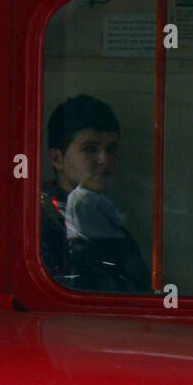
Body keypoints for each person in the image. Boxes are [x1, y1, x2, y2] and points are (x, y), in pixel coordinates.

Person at [40, 94, 152, 293]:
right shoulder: (41, 222)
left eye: (112, 149)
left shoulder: (108, 219)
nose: (105, 160)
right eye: (90, 149)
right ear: (57, 158)